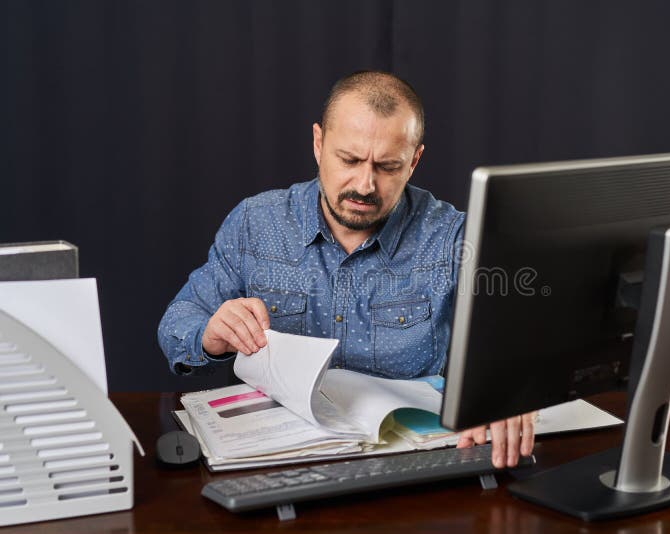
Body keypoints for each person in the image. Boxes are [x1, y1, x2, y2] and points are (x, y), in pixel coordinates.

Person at [157, 70, 535, 468]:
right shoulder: (256, 223)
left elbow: (521, 333)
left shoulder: (454, 237)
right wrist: (210, 334)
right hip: (281, 459)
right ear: (319, 143)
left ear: (414, 161)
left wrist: (508, 390)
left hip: (408, 466)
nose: (365, 185)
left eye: (388, 166)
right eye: (349, 159)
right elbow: (176, 324)